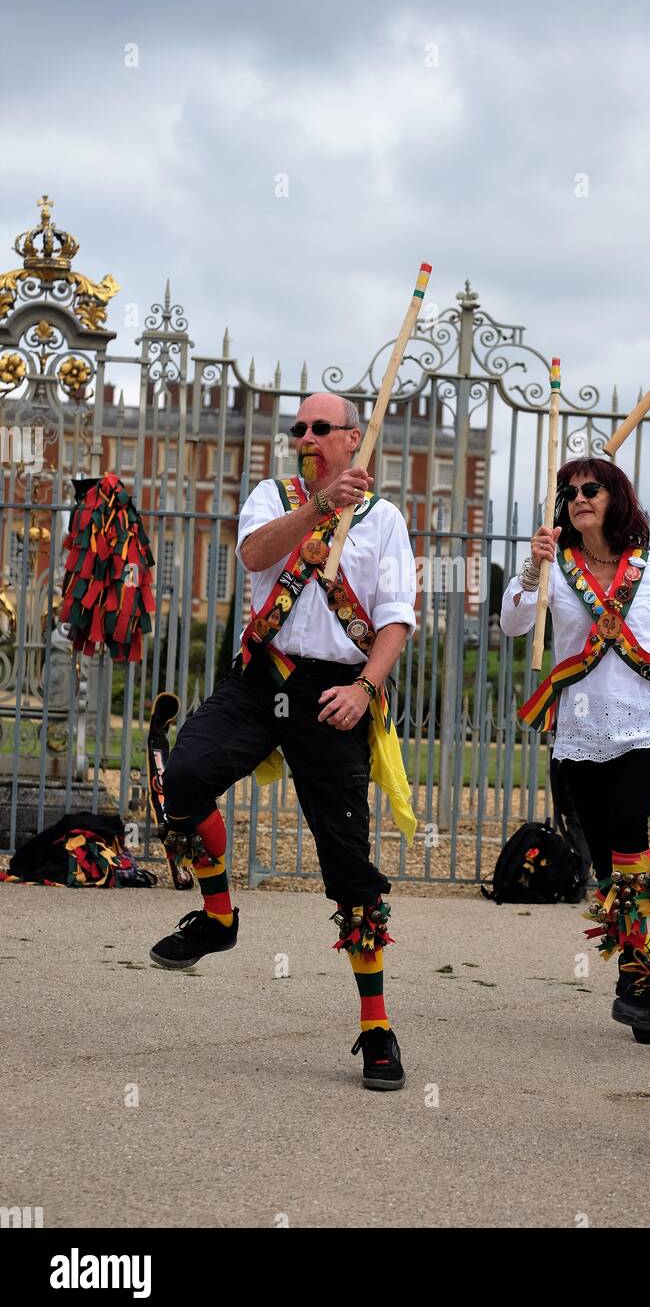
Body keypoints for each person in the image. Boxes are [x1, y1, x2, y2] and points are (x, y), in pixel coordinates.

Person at [148, 392, 418, 1091]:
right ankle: (218, 917)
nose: (305, 436)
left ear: (354, 438)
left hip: (334, 692)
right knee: (184, 776)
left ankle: (376, 1026)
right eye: (298, 428)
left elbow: (395, 618)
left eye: (320, 428)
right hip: (260, 677)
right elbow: (254, 555)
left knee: (348, 863)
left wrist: (365, 689)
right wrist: (320, 506)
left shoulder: (385, 519)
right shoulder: (272, 497)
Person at [500, 457, 650, 1042]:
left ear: (617, 498)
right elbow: (513, 624)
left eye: (591, 488)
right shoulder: (555, 568)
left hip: (648, 723)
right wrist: (531, 567)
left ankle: (639, 976)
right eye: (570, 492)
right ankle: (641, 976)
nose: (579, 498)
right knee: (605, 858)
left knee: (627, 823)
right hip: (582, 729)